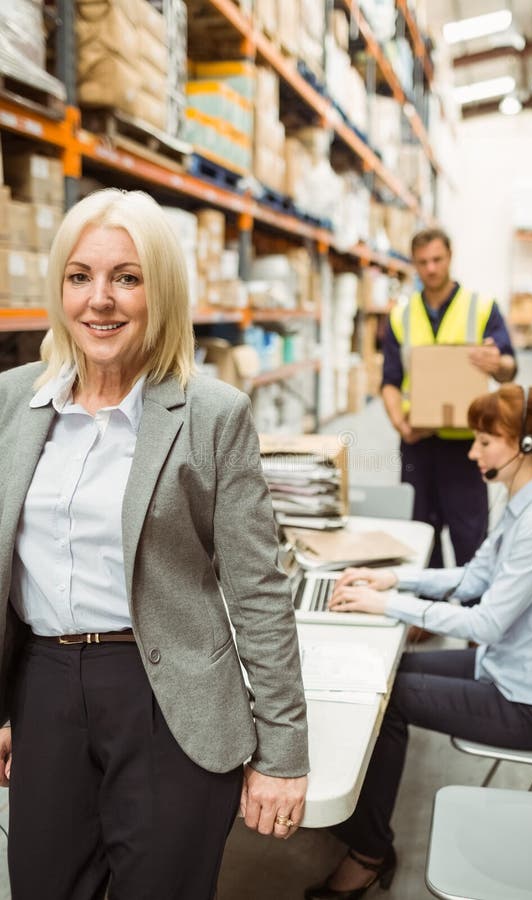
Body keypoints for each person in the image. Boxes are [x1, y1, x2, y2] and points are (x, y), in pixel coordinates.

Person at [0, 188, 309, 900]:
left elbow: (259, 593)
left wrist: (284, 751)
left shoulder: (211, 415)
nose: (99, 300)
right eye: (80, 277)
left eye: (126, 278)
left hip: (167, 695)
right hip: (46, 687)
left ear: (160, 290)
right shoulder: (16, 403)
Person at [304, 383, 532, 898]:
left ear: (523, 447)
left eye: (484, 441)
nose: (472, 451)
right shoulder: (524, 500)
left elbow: (485, 622)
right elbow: (472, 577)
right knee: (386, 675)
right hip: (502, 670)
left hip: (529, 704)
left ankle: (369, 851)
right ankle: (362, 828)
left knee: (385, 701)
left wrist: (386, 605)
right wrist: (395, 581)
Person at [382, 228, 517, 569]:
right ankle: (426, 617)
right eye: (423, 262)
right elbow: (389, 381)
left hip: (468, 447)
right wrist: (401, 425)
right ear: (414, 264)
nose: (431, 268)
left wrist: (497, 362)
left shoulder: (481, 307)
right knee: (420, 538)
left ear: (450, 257)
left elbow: (510, 367)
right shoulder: (401, 315)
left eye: (437, 259)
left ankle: (473, 615)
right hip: (418, 443)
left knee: (470, 538)